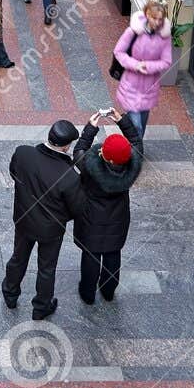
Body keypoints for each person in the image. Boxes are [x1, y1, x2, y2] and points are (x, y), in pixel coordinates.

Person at [2, 119, 84, 320]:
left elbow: (14, 173)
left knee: (18, 258)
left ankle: (10, 294)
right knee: (46, 268)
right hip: (51, 230)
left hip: (23, 220)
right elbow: (77, 209)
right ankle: (41, 307)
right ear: (66, 146)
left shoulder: (23, 153)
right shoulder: (69, 176)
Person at [72, 109, 145, 303]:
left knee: (91, 257)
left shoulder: (89, 167)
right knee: (113, 255)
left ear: (106, 156)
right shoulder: (132, 167)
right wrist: (122, 121)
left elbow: (78, 150)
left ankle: (87, 293)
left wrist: (90, 128)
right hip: (118, 220)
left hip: (91, 220)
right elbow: (137, 143)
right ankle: (108, 291)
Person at [112, 0, 173, 134]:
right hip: (131, 84)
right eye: (154, 18)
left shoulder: (165, 37)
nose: (157, 22)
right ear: (147, 15)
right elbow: (118, 52)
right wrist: (135, 65)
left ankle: (131, 146)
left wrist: (148, 66)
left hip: (149, 87)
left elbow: (166, 61)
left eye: (160, 19)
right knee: (136, 126)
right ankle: (136, 153)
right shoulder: (133, 32)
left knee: (141, 125)